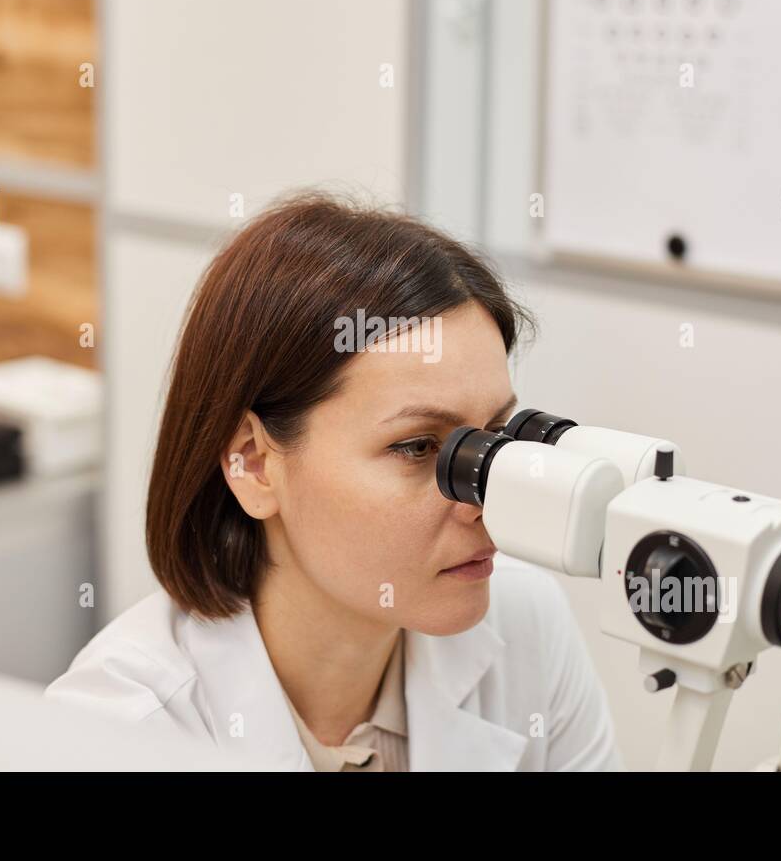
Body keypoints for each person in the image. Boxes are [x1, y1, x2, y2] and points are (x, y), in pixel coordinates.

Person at [45, 189, 623, 771]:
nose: (484, 500)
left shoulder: (527, 622)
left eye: (496, 439)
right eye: (419, 447)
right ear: (253, 462)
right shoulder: (117, 734)